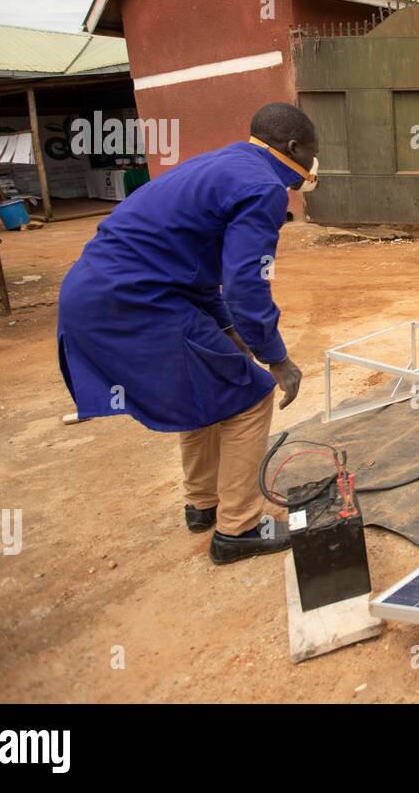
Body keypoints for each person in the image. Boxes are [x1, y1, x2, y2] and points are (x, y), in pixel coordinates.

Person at [57, 102, 320, 565]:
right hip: (134, 302)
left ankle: (204, 505)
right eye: (312, 153)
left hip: (101, 292)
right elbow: (245, 284)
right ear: (294, 147)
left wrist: (228, 334)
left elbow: (202, 275)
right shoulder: (264, 187)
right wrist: (276, 358)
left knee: (206, 387)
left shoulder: (222, 164)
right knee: (250, 395)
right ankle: (238, 529)